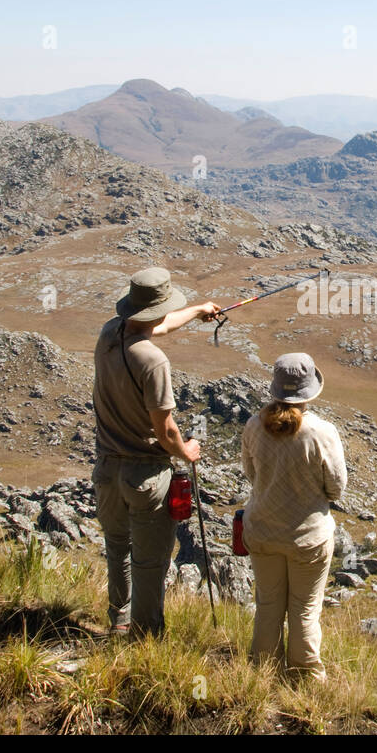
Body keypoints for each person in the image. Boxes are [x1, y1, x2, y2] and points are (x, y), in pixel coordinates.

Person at [92, 266, 218, 638]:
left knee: (117, 548)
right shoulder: (153, 362)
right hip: (145, 476)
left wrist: (197, 311)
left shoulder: (110, 334)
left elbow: (156, 327)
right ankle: (146, 637)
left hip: (106, 471)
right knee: (150, 561)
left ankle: (119, 621)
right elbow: (165, 432)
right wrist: (187, 452)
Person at [240, 352, 347, 681]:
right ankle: (305, 678)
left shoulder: (255, 426)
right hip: (308, 538)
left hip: (262, 531)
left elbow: (250, 474)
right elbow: (337, 488)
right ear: (309, 391)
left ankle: (263, 674)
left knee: (268, 605)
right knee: (305, 607)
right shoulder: (322, 433)